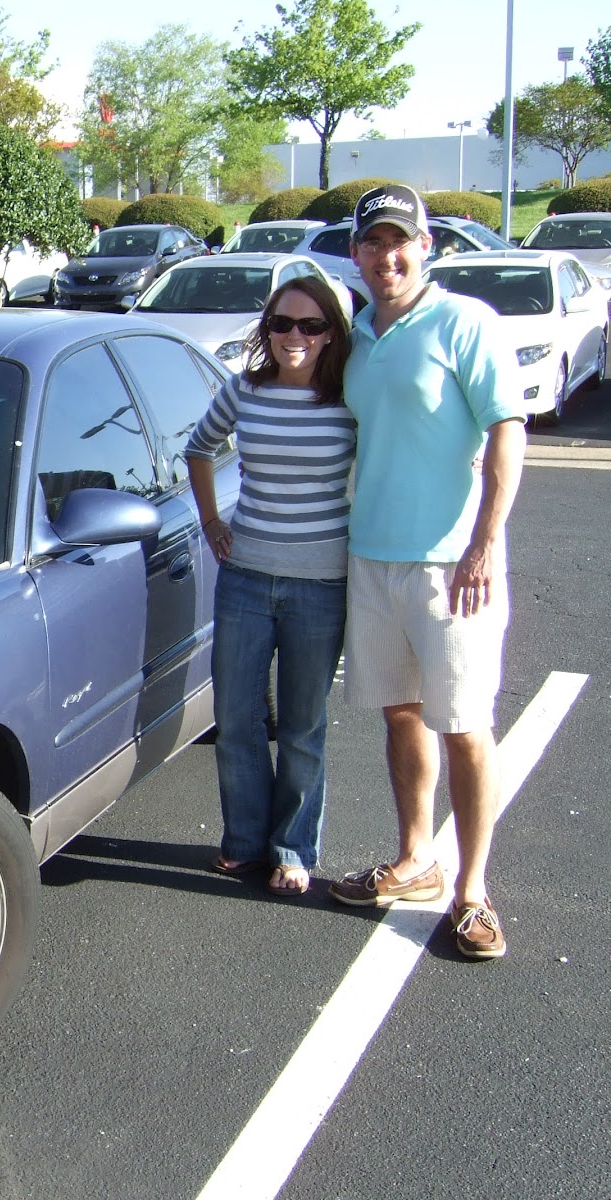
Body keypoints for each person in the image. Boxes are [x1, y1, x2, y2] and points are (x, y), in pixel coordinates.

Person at [326, 184, 526, 959]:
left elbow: (507, 433)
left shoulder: (465, 323)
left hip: (454, 567)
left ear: (429, 246)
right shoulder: (361, 335)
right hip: (372, 559)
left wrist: (484, 542)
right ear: (356, 252)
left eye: (400, 241)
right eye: (373, 243)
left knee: (467, 727)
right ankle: (416, 859)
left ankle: (472, 893)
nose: (387, 256)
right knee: (401, 714)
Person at [186, 275, 356, 898]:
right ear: (267, 329)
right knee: (236, 718)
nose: (295, 337)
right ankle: (244, 842)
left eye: (312, 326)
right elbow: (198, 447)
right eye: (282, 324)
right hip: (247, 578)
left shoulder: (347, 399)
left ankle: (293, 847)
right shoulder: (244, 391)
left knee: (304, 726)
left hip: (322, 584)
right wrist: (211, 520)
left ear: (332, 333)